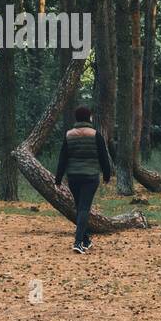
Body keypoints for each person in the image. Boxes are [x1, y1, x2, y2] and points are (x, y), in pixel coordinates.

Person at [54, 105, 112, 253]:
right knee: (84, 208)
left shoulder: (69, 135)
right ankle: (78, 242)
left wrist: (58, 178)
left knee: (80, 208)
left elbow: (63, 158)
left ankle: (85, 239)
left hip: (73, 177)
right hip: (90, 176)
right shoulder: (95, 134)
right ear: (88, 117)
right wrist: (107, 174)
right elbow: (103, 156)